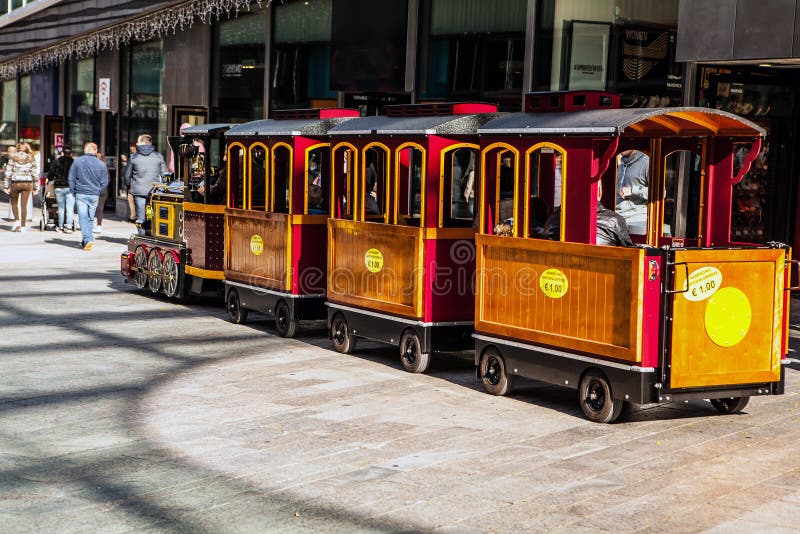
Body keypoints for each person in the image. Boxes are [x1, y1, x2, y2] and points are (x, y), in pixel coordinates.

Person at [68, 141, 109, 251]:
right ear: (95, 151)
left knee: (82, 217)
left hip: (81, 193)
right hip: (94, 194)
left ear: (85, 150)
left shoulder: (77, 162)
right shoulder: (101, 164)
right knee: (90, 218)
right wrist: (99, 191)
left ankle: (87, 239)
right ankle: (88, 239)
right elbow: (105, 181)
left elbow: (71, 178)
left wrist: (73, 191)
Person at [123, 134, 167, 233]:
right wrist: (164, 188)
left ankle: (142, 238)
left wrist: (130, 186)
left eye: (138, 142)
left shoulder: (133, 157)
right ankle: (154, 237)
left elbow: (126, 176)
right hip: (155, 191)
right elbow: (165, 175)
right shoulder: (158, 156)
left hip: (138, 191)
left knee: (140, 217)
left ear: (142, 143)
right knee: (155, 216)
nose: (137, 144)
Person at [3, 143, 39, 232]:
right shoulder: (31, 158)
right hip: (27, 183)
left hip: (16, 183)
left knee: (14, 203)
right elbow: (34, 174)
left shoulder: (13, 157)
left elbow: (8, 172)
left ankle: (16, 221)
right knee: (24, 205)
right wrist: (36, 187)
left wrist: (6, 186)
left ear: (18, 148)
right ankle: (23, 226)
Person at [615, 149, 649, 233]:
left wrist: (633, 190)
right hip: (617, 218)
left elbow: (662, 192)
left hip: (636, 221)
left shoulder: (646, 162)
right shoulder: (620, 164)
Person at [47, 145, 76, 233]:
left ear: (62, 152)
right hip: (70, 187)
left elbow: (50, 176)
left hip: (59, 187)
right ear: (70, 153)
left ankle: (60, 226)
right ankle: (69, 227)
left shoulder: (56, 161)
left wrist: (51, 179)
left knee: (61, 208)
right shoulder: (74, 162)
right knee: (70, 208)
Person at [94, 151, 108, 234]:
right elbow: (107, 179)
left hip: (94, 190)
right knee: (100, 208)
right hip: (102, 190)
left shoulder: (93, 166)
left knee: (93, 208)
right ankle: (99, 226)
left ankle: (93, 225)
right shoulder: (104, 166)